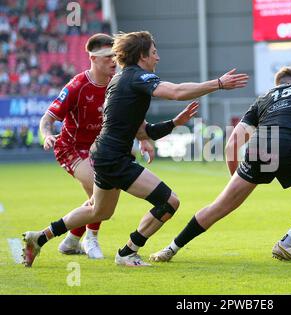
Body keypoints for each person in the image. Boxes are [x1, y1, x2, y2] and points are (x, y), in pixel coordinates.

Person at [22, 30, 248, 267]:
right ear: (141, 56)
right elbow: (176, 92)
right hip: (113, 157)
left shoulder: (120, 80)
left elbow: (143, 132)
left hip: (104, 154)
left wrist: (173, 124)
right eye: (154, 52)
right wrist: (218, 83)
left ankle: (39, 237)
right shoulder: (136, 78)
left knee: (99, 211)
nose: (157, 58)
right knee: (169, 202)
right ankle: (128, 252)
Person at [149, 67, 291, 263]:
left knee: (219, 206)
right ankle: (286, 243)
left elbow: (232, 145)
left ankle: (170, 249)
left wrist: (237, 179)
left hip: (259, 146)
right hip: (287, 145)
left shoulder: (263, 100)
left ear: (277, 85)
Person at [39, 33, 118, 259]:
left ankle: (72, 240)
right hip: (71, 148)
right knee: (100, 190)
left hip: (98, 150)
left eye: (115, 56)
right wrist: (46, 135)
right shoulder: (77, 85)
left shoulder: (116, 84)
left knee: (101, 196)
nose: (113, 61)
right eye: (107, 57)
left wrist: (143, 139)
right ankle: (90, 239)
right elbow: (48, 118)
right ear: (93, 58)